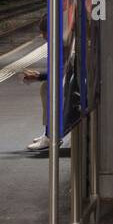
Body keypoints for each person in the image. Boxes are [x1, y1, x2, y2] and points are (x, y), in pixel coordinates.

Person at [24, 14, 68, 153]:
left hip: (69, 79)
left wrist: (40, 76)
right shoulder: (61, 40)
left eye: (44, 33)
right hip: (69, 75)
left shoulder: (60, 43)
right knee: (47, 86)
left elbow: (59, 71)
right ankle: (49, 132)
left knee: (49, 88)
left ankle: (51, 135)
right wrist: (40, 75)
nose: (43, 36)